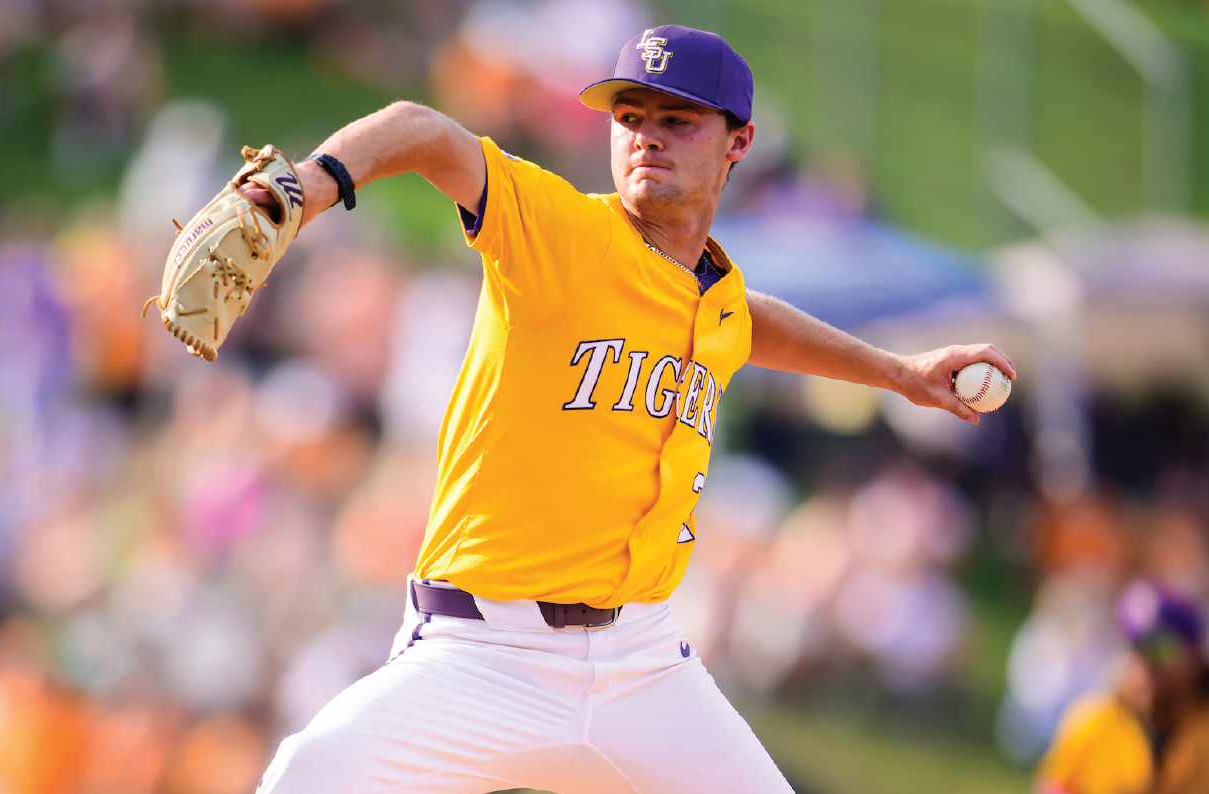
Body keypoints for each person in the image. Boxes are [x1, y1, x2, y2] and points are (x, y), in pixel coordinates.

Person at [248, 25, 1015, 793]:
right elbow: (423, 131)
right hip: (482, 653)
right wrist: (305, 187)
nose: (646, 136)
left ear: (737, 142)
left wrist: (897, 372)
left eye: (676, 120)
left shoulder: (713, 293)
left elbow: (747, 321)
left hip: (639, 663)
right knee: (306, 775)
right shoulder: (561, 232)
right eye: (629, 116)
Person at [1036, 580, 1209, 794]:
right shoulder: (1092, 725)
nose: (1145, 663)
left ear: (1196, 657)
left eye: (1160, 649)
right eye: (1135, 646)